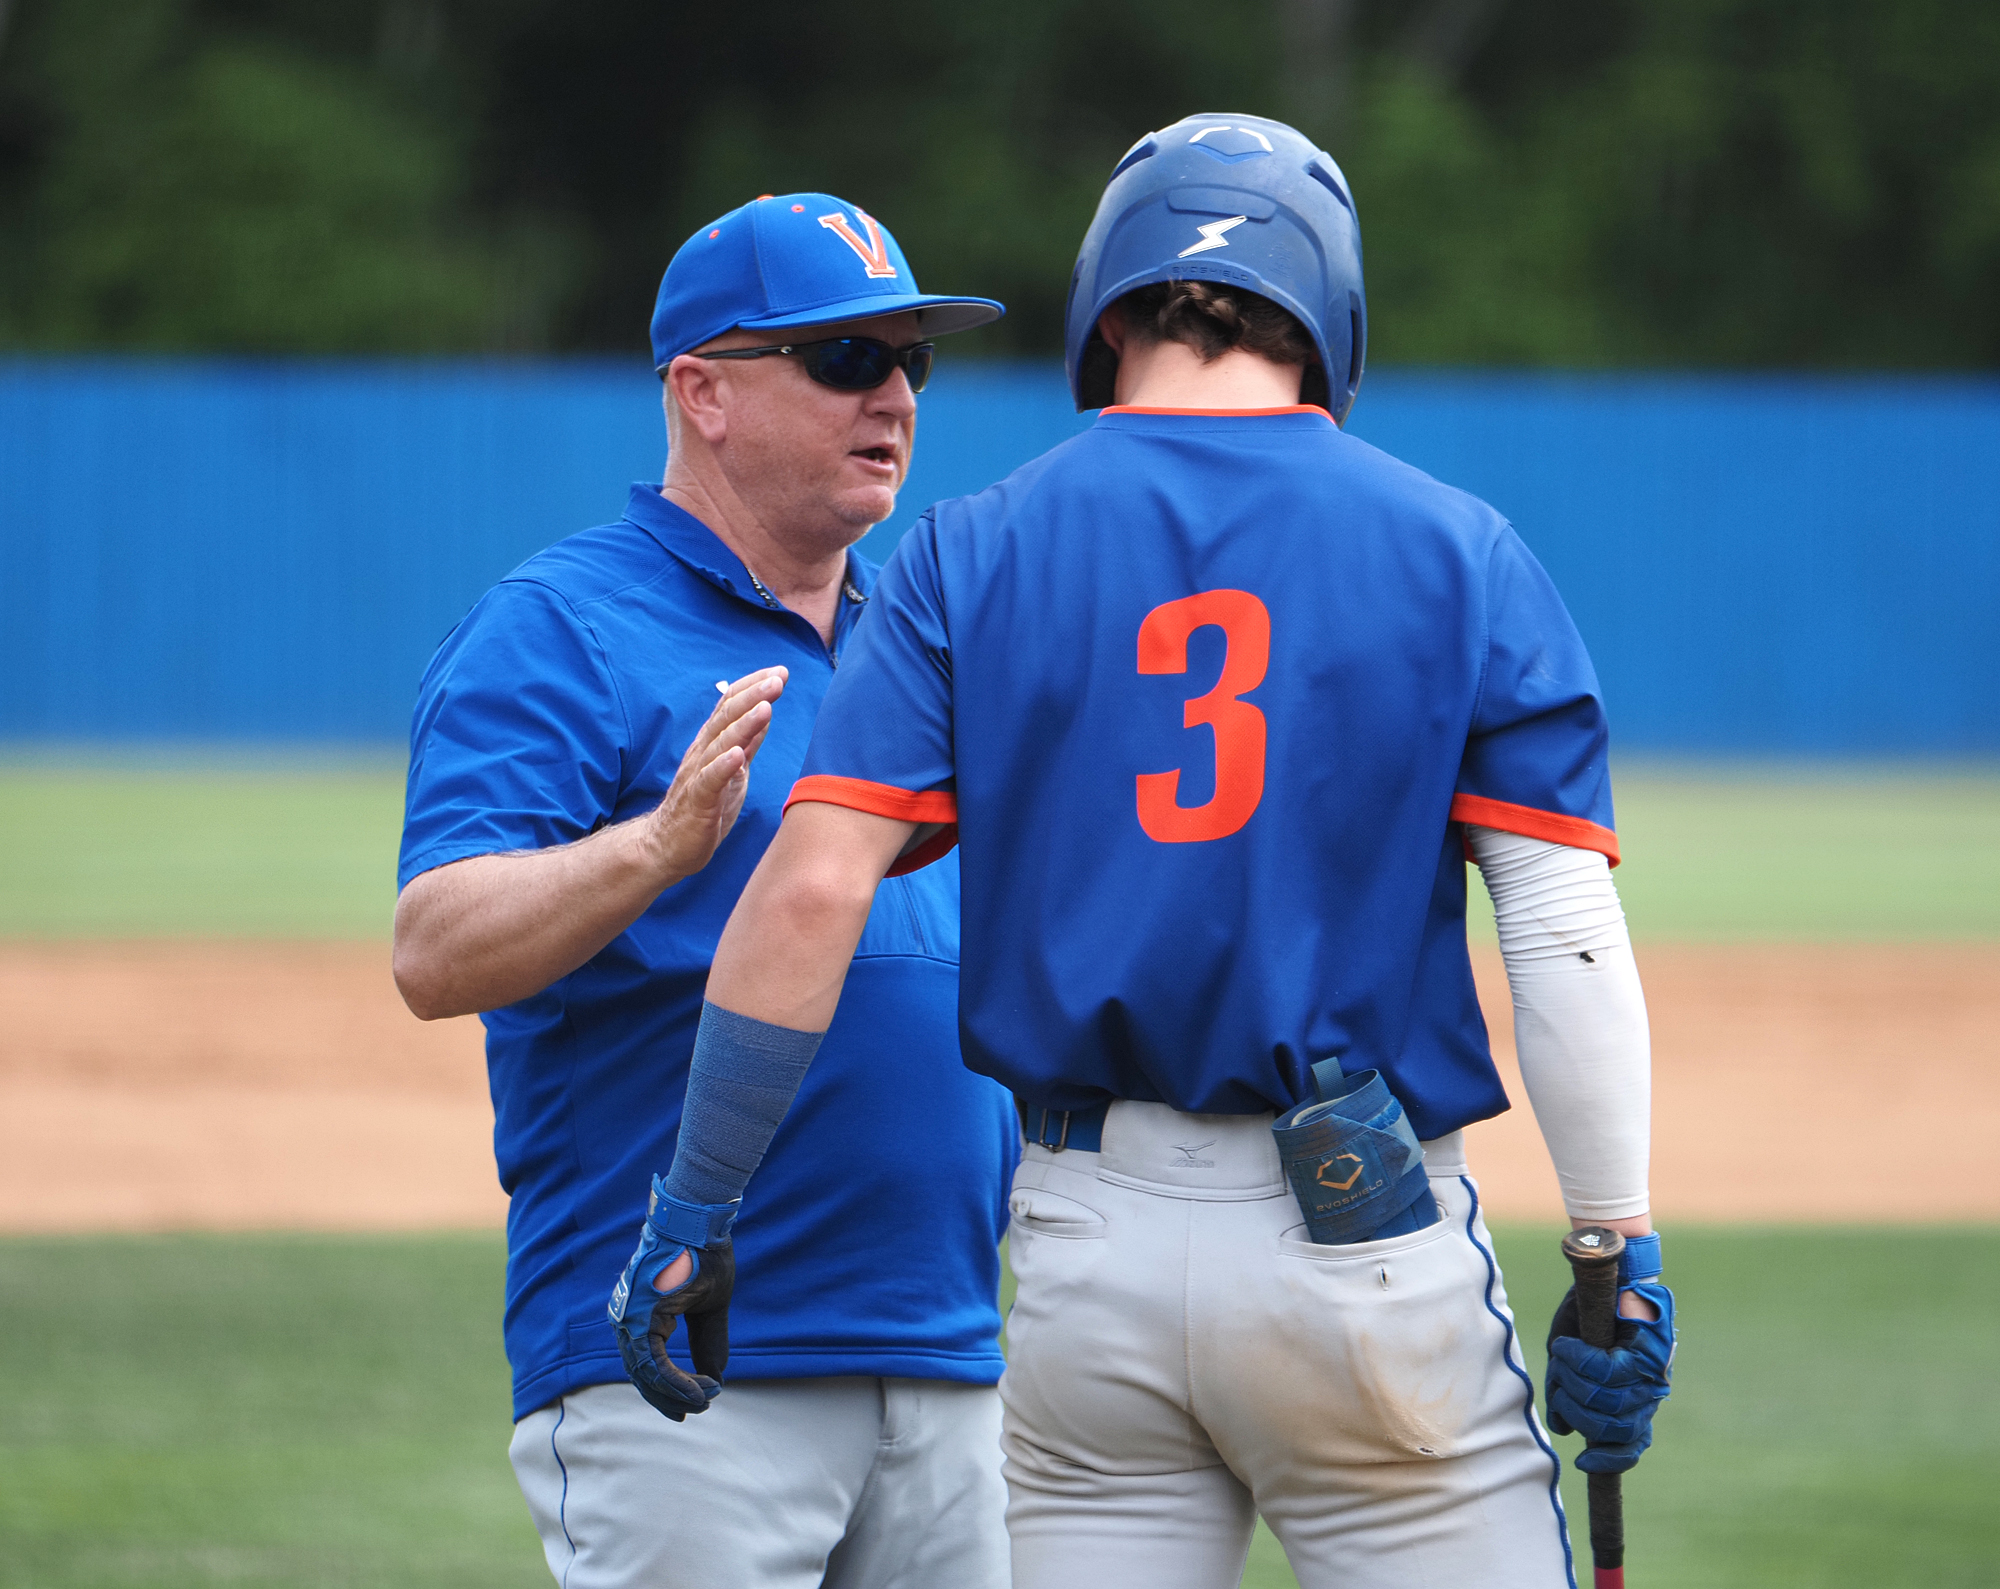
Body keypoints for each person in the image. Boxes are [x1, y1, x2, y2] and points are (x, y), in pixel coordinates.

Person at [617, 116, 1677, 1589]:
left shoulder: (966, 552)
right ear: (1330, 311)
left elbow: (809, 887)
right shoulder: (1460, 550)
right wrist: (1611, 1251)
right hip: (1364, 1244)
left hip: (1084, 1252)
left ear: (1105, 311)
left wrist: (696, 1203)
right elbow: (1560, 926)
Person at [394, 192, 1018, 1589]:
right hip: (680, 1362)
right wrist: (656, 847)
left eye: (912, 358)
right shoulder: (563, 627)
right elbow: (433, 948)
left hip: (949, 1351)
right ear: (704, 392)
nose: (897, 395)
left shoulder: (916, 653)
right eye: (847, 357)